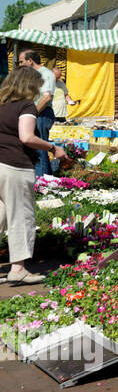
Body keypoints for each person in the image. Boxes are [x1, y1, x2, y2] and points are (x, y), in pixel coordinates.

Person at [0, 67, 67, 283]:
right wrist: (52, 147)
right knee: (21, 216)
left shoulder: (2, 105)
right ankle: (18, 269)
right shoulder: (26, 106)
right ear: (30, 85)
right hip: (15, 166)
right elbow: (27, 137)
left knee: (0, 216)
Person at [17, 50, 57, 179]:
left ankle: (41, 181)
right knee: (37, 146)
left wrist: (32, 113)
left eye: (21, 61)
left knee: (40, 146)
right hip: (35, 113)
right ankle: (47, 177)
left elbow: (46, 98)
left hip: (41, 113)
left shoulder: (46, 74)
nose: (20, 64)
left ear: (30, 61)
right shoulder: (33, 74)